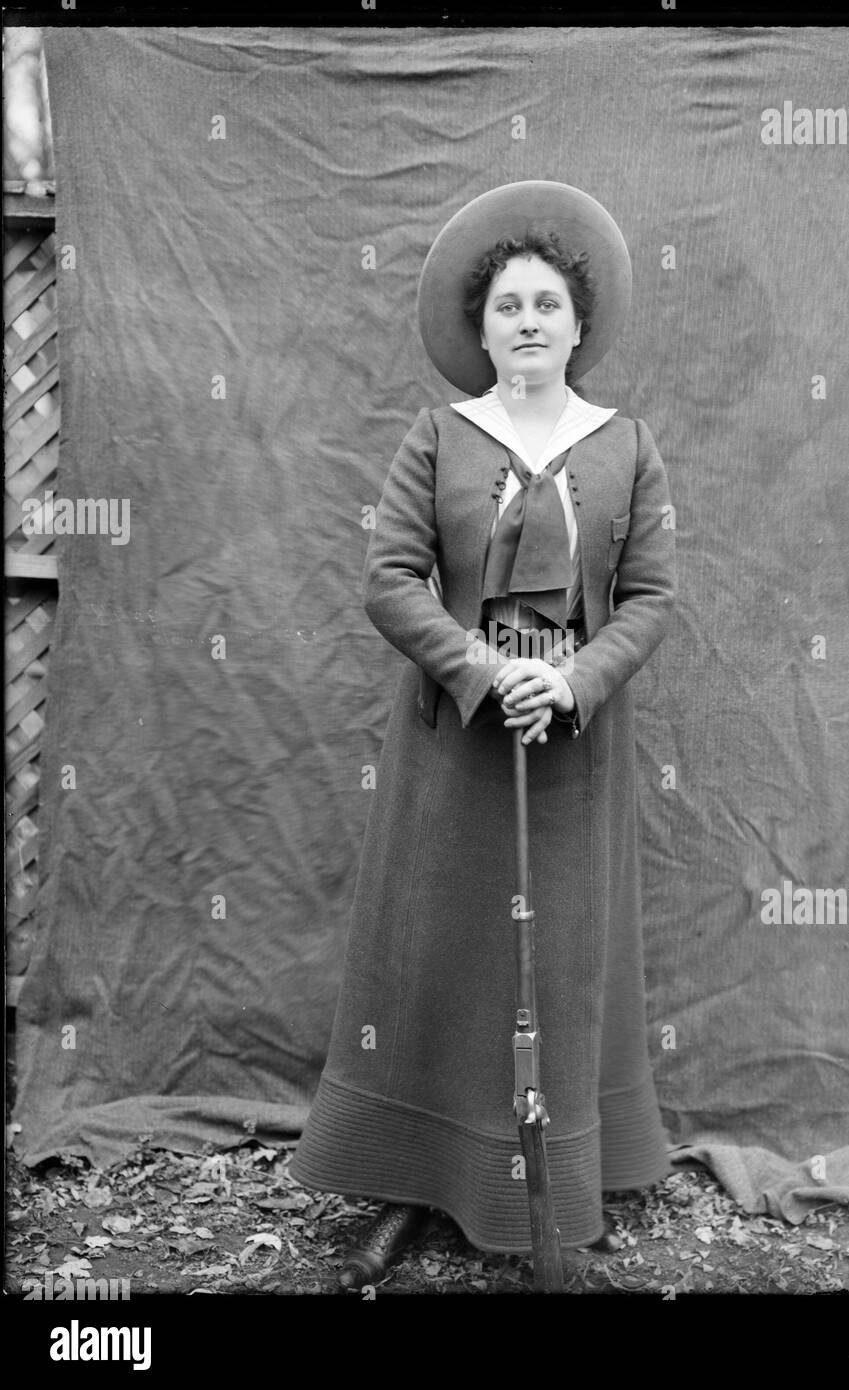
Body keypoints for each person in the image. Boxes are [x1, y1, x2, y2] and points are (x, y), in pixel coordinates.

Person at [290, 181, 677, 1290]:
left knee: (555, 963)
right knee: (446, 957)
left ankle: (547, 1197)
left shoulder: (627, 448)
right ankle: (415, 1192)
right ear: (479, 326)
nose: (525, 323)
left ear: (577, 322)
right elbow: (387, 577)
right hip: (454, 749)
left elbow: (649, 596)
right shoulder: (438, 438)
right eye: (506, 305)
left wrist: (569, 683)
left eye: (545, 304)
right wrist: (481, 667)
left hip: (572, 751)